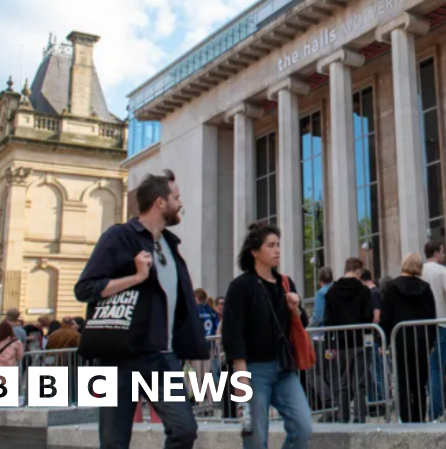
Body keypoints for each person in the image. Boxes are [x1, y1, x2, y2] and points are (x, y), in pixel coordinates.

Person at [74, 169, 208, 449]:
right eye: (176, 198)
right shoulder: (120, 236)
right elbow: (85, 289)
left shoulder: (169, 245)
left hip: (163, 358)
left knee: (185, 430)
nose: (180, 204)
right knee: (114, 442)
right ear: (160, 202)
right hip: (119, 358)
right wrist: (136, 277)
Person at [222, 224, 313, 449]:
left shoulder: (285, 284)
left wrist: (296, 308)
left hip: (285, 369)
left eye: (278, 245)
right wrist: (241, 374)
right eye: (271, 245)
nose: (277, 250)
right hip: (254, 370)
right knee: (256, 439)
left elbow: (301, 324)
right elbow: (233, 333)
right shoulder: (240, 287)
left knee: (303, 428)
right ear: (254, 251)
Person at [380, 252, 437, 423]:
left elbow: (386, 317)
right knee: (419, 383)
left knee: (402, 383)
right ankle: (420, 418)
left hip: (400, 340)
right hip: (421, 341)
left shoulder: (391, 288)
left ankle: (406, 419)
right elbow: (432, 316)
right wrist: (431, 341)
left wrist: (383, 341)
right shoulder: (426, 288)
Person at [323, 257, 374, 423]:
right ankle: (359, 418)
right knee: (360, 384)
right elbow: (368, 316)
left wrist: (329, 345)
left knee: (343, 384)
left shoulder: (331, 292)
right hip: (359, 341)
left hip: (340, 342)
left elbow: (327, 320)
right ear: (358, 271)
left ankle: (344, 419)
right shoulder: (364, 291)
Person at [420, 241, 446, 421]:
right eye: (442, 252)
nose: (444, 255)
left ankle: (434, 409)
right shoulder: (441, 271)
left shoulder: (419, 271)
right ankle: (436, 412)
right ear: (437, 253)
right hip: (440, 324)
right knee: (437, 369)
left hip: (422, 325)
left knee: (430, 370)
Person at [359, 269, 384, 412]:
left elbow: (376, 317)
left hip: (373, 337)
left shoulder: (372, 293)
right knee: (374, 371)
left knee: (375, 372)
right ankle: (376, 401)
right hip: (373, 337)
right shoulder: (374, 292)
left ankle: (379, 402)